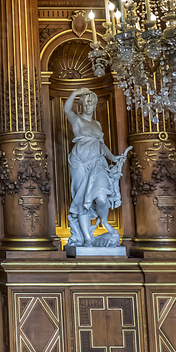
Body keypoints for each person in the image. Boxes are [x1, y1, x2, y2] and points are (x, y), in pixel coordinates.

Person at [63, 87, 130, 248]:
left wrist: (113, 157)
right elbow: (66, 109)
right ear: (81, 105)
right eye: (86, 103)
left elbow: (101, 144)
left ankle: (104, 222)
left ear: (95, 106)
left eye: (91, 103)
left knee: (101, 197)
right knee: (81, 200)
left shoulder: (97, 124)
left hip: (98, 162)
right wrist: (74, 92)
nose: (88, 106)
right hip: (79, 162)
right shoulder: (77, 120)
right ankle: (87, 238)